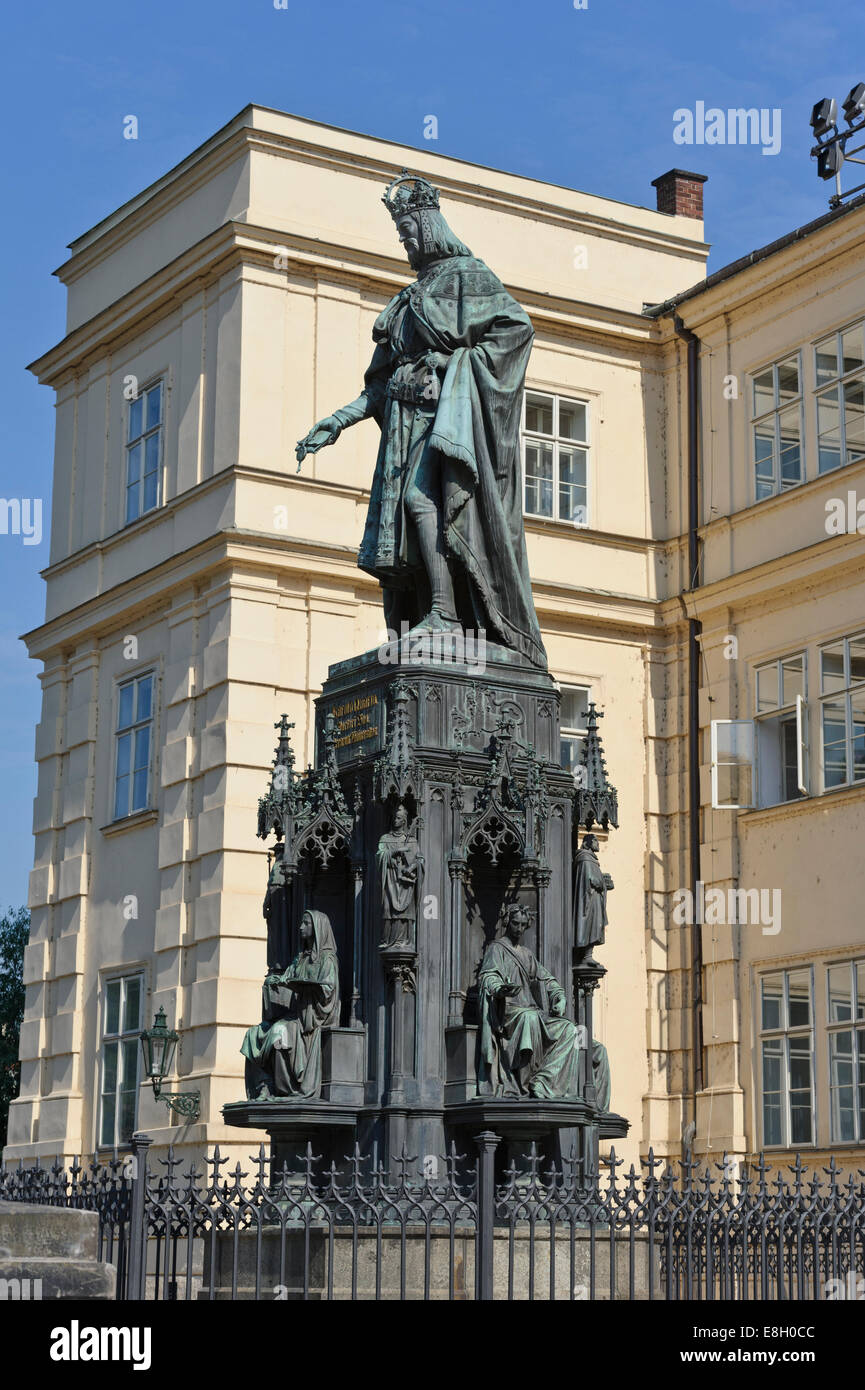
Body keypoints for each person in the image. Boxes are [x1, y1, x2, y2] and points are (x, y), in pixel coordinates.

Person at [295, 171, 546, 670]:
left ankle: (446, 614)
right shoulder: (405, 301)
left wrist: (454, 369)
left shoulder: (468, 276)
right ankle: (431, 615)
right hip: (405, 430)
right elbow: (380, 385)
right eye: (401, 235)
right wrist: (338, 422)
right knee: (406, 519)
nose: (406, 243)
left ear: (430, 227)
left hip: (450, 423)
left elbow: (516, 330)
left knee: (421, 501)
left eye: (409, 232)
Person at [477, 904, 582, 1099]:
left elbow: (547, 979)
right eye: (515, 923)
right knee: (530, 1018)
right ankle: (524, 1086)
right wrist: (499, 988)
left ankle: (542, 1080)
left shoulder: (527, 954)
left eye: (523, 925)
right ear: (507, 922)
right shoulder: (496, 949)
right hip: (509, 1011)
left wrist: (559, 996)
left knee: (570, 1030)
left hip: (531, 1010)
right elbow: (488, 976)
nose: (519, 929)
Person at [241, 910, 340, 1099]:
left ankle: (285, 1088)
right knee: (252, 1034)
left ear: (317, 928)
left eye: (306, 923)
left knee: (279, 1032)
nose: (301, 927)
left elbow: (329, 991)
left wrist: (305, 988)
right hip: (294, 1015)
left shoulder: (327, 960)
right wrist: (276, 982)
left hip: (310, 1019)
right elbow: (287, 978)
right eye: (302, 923)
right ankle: (264, 1085)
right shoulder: (300, 958)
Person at [377, 802, 423, 948]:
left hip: (405, 885)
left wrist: (411, 868)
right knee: (387, 910)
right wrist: (394, 853)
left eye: (398, 818)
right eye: (393, 817)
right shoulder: (385, 838)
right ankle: (388, 940)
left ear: (404, 821)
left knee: (405, 914)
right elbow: (380, 855)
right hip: (390, 881)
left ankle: (403, 942)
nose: (394, 820)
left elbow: (420, 860)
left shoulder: (412, 841)